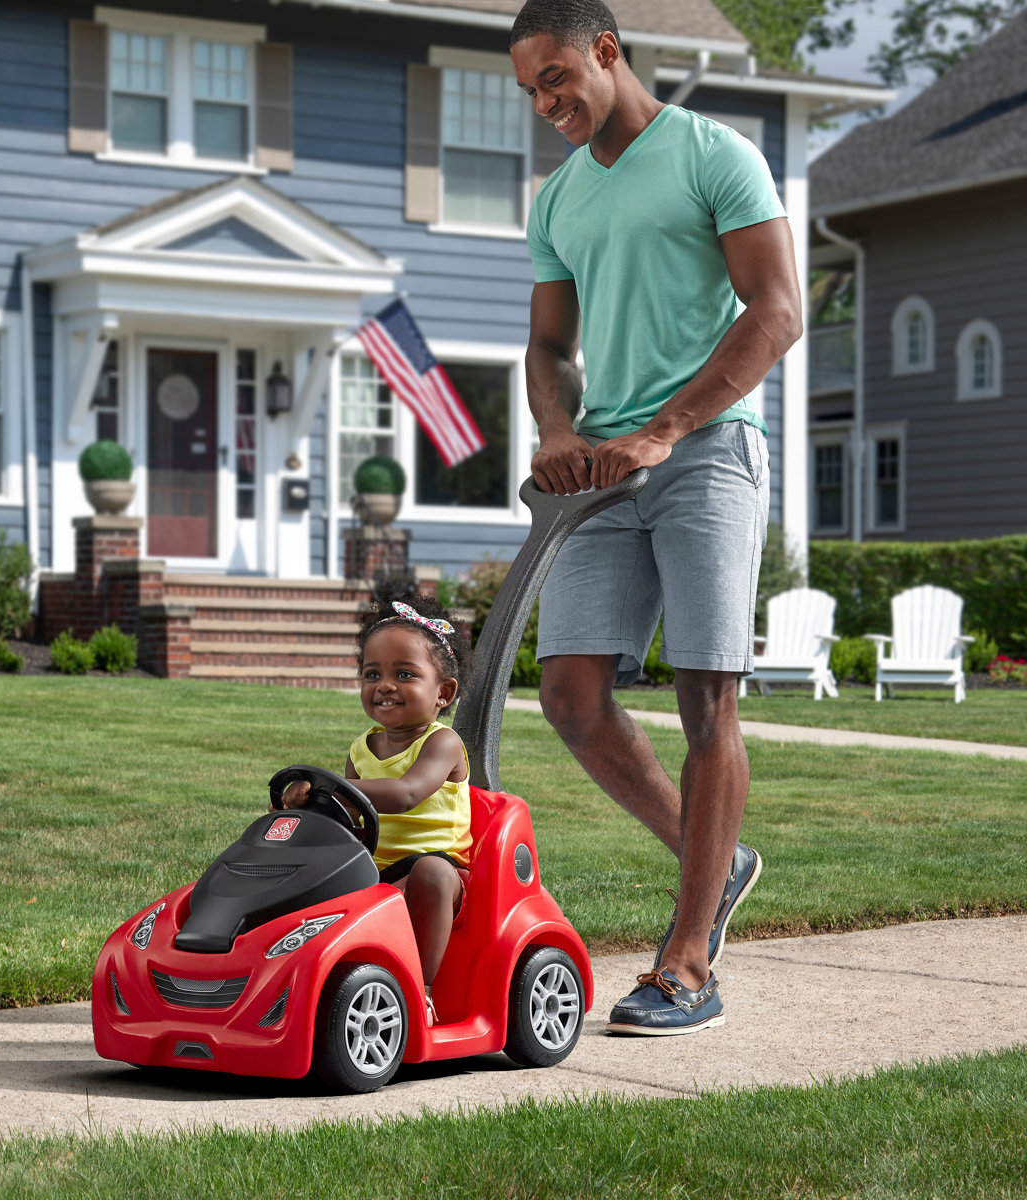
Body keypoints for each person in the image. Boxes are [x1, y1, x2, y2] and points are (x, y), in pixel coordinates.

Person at [509, 0, 803, 1035]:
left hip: (707, 453)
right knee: (570, 694)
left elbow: (777, 311)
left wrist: (667, 429)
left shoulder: (711, 155)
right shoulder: (556, 202)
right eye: (530, 92)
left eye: (556, 80)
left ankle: (687, 964)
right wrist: (556, 426)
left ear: (605, 49)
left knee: (706, 696)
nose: (547, 105)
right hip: (599, 471)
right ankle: (716, 859)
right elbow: (549, 347)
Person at [280, 592, 472, 1025]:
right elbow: (349, 816)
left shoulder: (442, 743)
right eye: (372, 673)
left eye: (404, 674)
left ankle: (419, 990)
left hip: (440, 870)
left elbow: (407, 793)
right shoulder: (361, 748)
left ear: (443, 692)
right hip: (373, 866)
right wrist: (312, 802)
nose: (385, 685)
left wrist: (339, 785)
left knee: (430, 875)